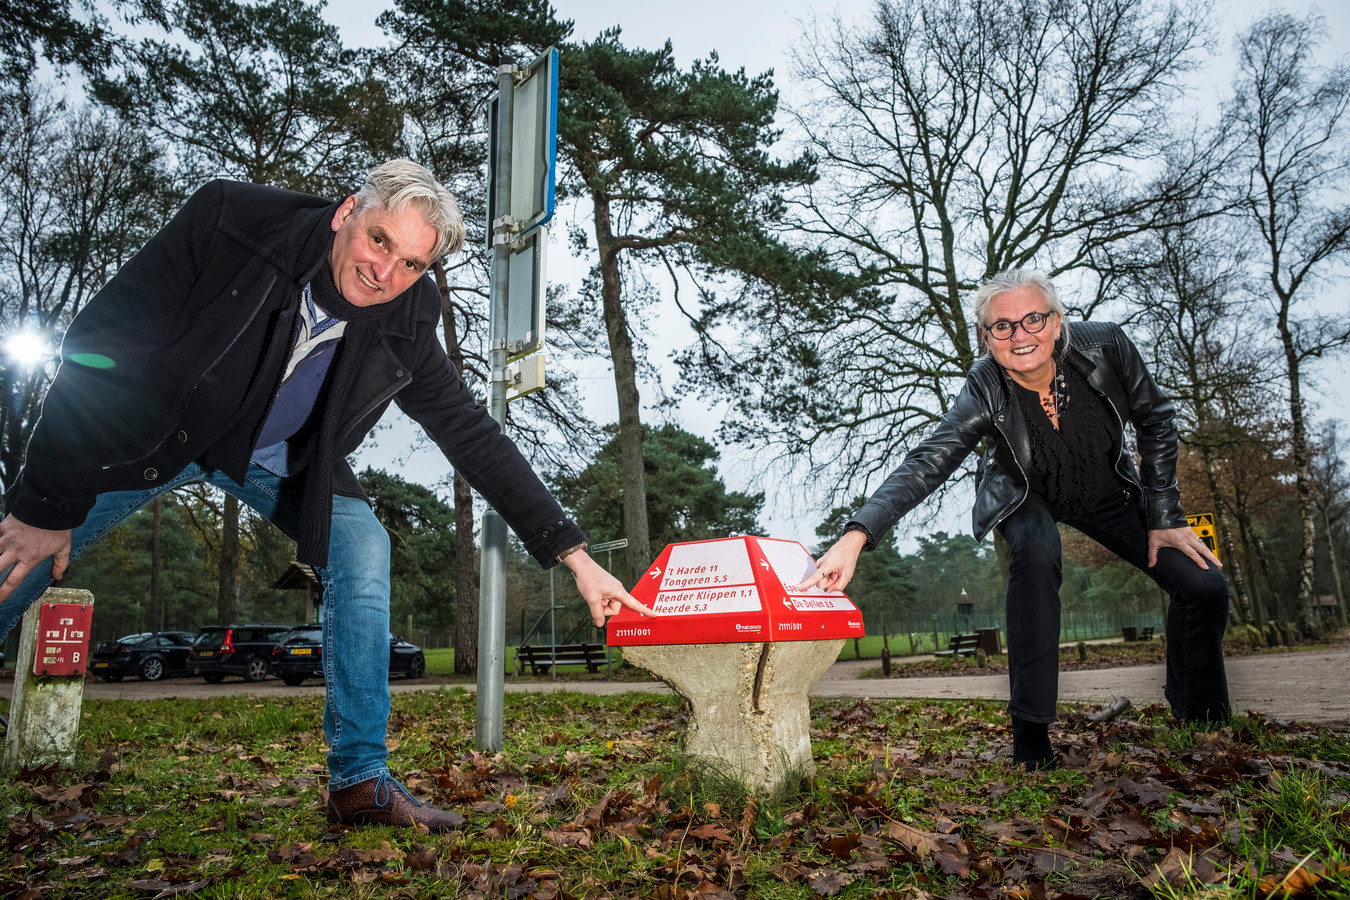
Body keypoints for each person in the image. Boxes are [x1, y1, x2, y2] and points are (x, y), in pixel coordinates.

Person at [0, 159, 656, 828]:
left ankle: (359, 781)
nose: (385, 274)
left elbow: (472, 436)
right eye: (379, 241)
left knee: (364, 546)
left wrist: (574, 555)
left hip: (279, 459)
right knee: (19, 557)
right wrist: (44, 504)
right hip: (161, 431)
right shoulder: (232, 221)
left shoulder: (408, 317)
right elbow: (100, 343)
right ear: (347, 213)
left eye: (409, 264)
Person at [798, 268, 1230, 769]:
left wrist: (1163, 513)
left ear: (1057, 321)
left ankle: (1200, 714)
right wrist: (857, 535)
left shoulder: (1108, 346)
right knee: (1036, 555)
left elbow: (1155, 418)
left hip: (1109, 491)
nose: (1020, 335)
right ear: (987, 338)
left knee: (1204, 586)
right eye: (1002, 327)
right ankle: (1031, 735)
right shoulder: (984, 386)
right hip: (1024, 492)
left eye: (1033, 319)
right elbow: (929, 460)